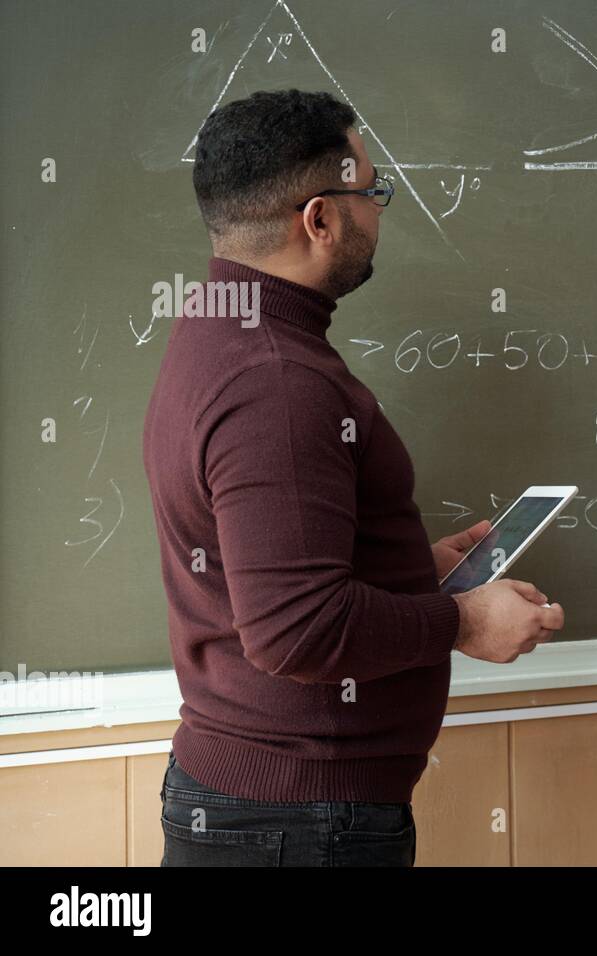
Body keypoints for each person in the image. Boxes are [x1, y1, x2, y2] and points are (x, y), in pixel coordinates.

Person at [143, 89, 563, 866]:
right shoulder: (276, 382)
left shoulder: (221, 329)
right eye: (372, 191)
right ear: (320, 219)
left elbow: (267, 571)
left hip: (271, 811)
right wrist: (464, 622)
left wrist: (410, 570)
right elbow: (295, 629)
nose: (378, 210)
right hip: (302, 824)